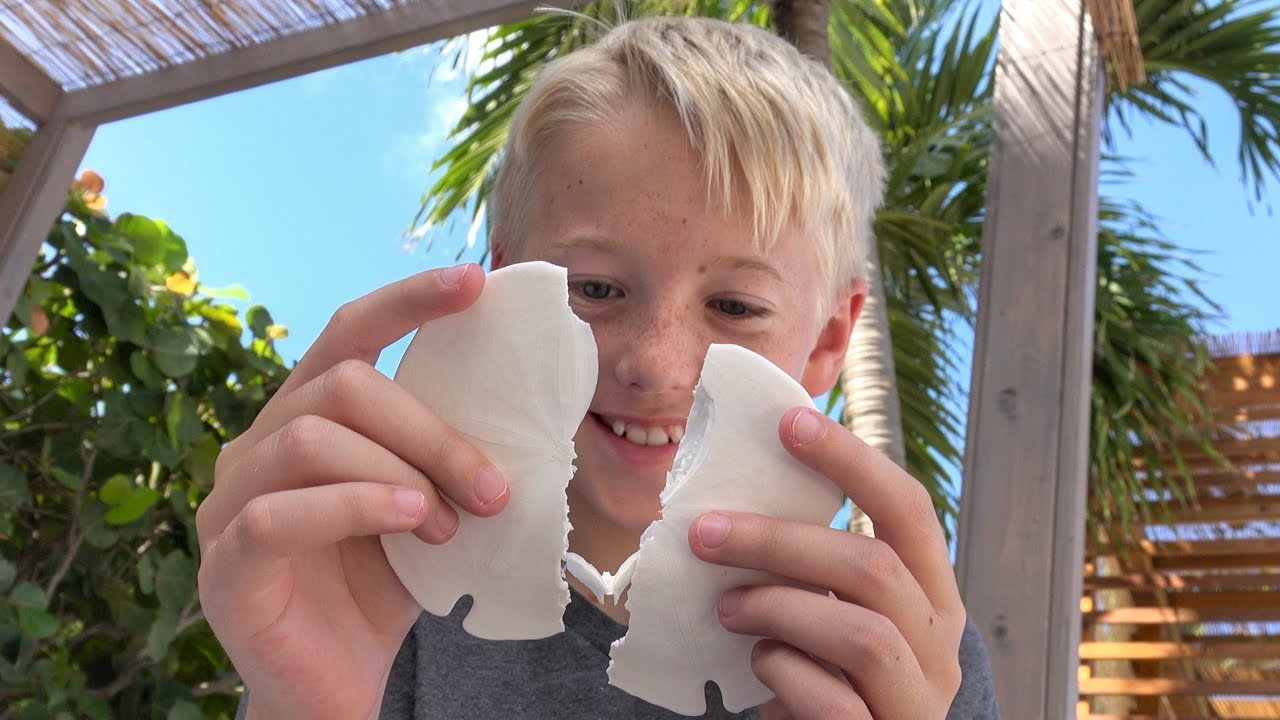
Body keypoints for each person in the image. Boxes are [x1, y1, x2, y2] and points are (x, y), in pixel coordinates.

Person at [198, 15, 1000, 720]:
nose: (654, 363)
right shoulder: (379, 599)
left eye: (735, 306)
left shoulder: (899, 656)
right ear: (507, 297)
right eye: (594, 288)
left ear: (828, 341)